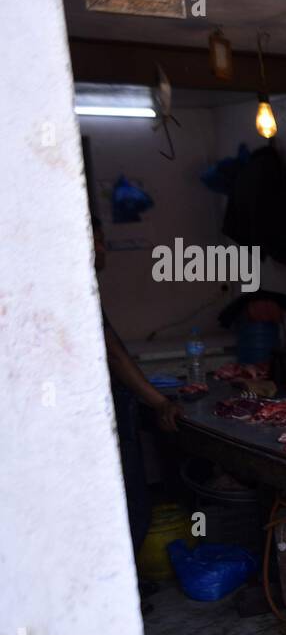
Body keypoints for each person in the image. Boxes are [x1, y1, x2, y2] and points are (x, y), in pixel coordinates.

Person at [94, 216, 184, 608]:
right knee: (129, 503)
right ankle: (117, 599)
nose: (101, 252)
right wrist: (158, 401)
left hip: (112, 410)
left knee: (129, 503)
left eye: (101, 243)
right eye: (95, 243)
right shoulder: (71, 289)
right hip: (104, 416)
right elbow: (113, 352)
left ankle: (120, 590)